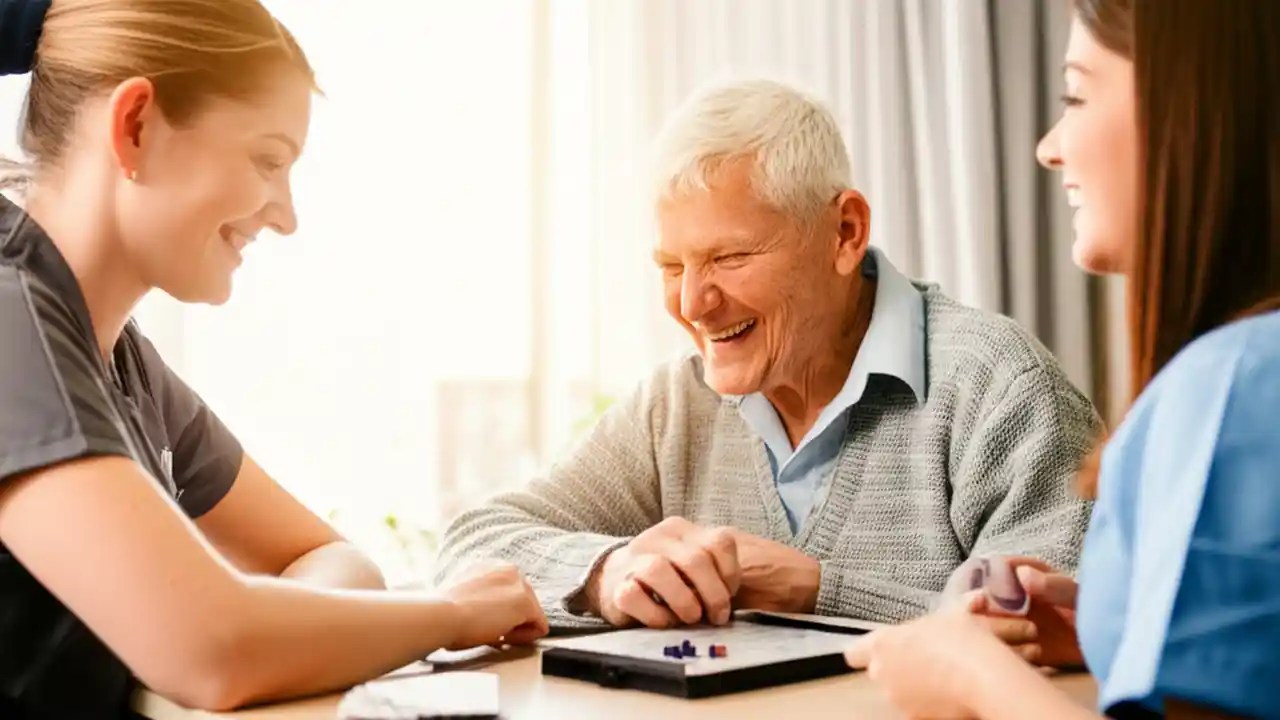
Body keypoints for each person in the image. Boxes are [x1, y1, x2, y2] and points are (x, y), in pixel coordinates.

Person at [0, 1, 547, 718]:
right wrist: (449, 614)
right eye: (267, 159)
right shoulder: (12, 320)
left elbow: (331, 560)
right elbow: (211, 652)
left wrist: (260, 627)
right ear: (135, 127)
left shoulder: (122, 363)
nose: (285, 215)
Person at [435, 79, 1102, 636]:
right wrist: (609, 572)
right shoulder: (676, 406)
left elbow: (1072, 630)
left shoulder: (1001, 390)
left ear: (845, 232)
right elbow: (473, 544)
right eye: (672, 265)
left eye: (729, 257)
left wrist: (816, 590)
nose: (693, 303)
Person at [845, 0, 1280, 718]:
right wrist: (1119, 624)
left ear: (1191, 113)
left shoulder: (1231, 386)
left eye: (1077, 95)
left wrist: (976, 681)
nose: (1050, 147)